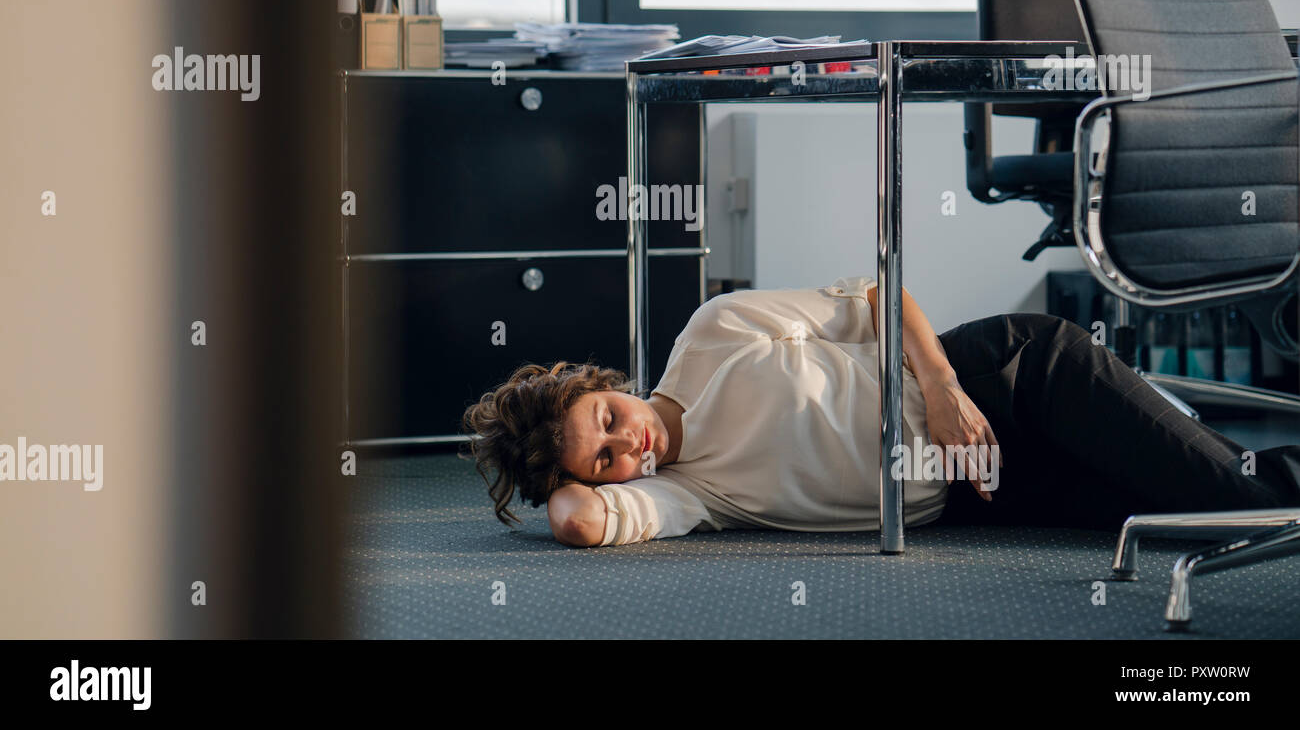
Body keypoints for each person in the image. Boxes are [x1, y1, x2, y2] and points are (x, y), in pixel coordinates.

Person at [461, 277, 1300, 547]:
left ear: (607, 380)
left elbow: (877, 295)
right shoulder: (689, 494)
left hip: (1006, 378)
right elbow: (578, 522)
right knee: (1198, 517)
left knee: (1252, 501)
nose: (626, 443)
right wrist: (558, 477)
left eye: (606, 415)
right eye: (604, 459)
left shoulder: (713, 332)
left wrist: (939, 389)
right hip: (989, 492)